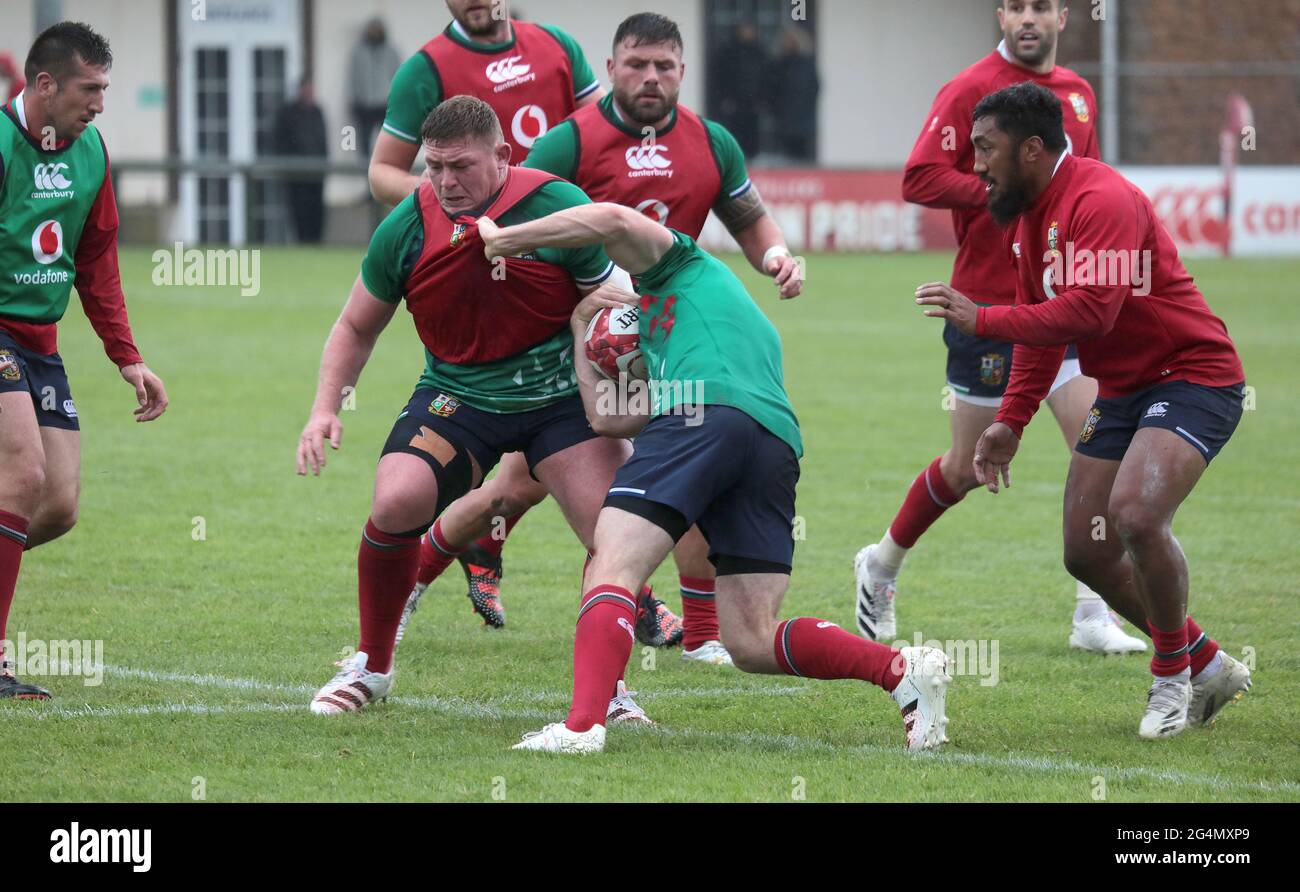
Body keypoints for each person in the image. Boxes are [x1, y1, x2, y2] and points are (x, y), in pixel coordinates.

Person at [470, 204, 951, 754]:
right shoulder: (687, 340)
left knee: (613, 561)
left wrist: (503, 238)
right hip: (773, 442)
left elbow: (611, 219)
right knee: (749, 638)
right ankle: (901, 671)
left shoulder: (677, 265)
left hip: (702, 416)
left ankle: (582, 727)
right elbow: (607, 418)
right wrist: (582, 329)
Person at [399, 13, 804, 666]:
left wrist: (779, 256)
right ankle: (415, 577)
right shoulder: (570, 142)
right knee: (514, 488)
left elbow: (749, 218)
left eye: (663, 66)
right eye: (636, 64)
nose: (650, 78)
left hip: (673, 334)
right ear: (610, 68)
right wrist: (575, 313)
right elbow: (511, 218)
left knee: (700, 465)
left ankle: (700, 634)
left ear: (682, 71)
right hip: (586, 337)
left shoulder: (713, 142)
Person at [299, 96, 653, 725]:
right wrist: (325, 408)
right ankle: (372, 667)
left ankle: (610, 691)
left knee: (614, 529)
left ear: (503, 157)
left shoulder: (558, 205)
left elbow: (612, 304)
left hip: (559, 402)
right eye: (433, 166)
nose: (444, 181)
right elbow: (356, 326)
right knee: (397, 499)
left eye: (459, 166)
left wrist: (624, 405)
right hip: (459, 397)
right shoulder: (408, 225)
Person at [916, 81, 1251, 738]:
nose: (976, 164)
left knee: (1134, 516)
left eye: (986, 148)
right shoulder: (1024, 219)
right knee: (1086, 550)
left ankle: (1171, 679)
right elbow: (1045, 331)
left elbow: (1093, 309)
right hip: (1123, 393)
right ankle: (1210, 665)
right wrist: (1010, 421)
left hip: (1192, 378)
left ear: (1032, 149)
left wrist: (980, 315)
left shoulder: (1101, 198)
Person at [854, 0, 1147, 656]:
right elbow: (919, 177)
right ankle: (881, 563)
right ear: (1001, 14)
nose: (1028, 18)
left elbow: (1086, 180)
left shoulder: (1076, 93)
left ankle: (1091, 615)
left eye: (1040, 6)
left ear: (1064, 16)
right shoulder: (968, 89)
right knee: (964, 467)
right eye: (1015, 6)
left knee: (1098, 456)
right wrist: (998, 190)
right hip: (985, 306)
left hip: (1059, 304)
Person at [0, 22, 169, 698]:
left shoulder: (91, 151)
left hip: (41, 343)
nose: (100, 103)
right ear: (43, 85)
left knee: (59, 504)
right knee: (22, 472)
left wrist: (127, 358)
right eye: (88, 89)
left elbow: (96, 260)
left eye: (104, 89)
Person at [368, 0, 603, 206]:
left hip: (562, 224)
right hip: (479, 238)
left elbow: (605, 128)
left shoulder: (556, 44)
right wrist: (426, 189)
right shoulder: (422, 71)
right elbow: (381, 173)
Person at [276, 78, 328, 244]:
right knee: (299, 214)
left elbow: (323, 141)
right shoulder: (287, 113)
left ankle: (316, 244)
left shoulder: (317, 112)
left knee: (317, 215)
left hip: (316, 175)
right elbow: (280, 142)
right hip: (296, 176)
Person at [707, 23, 766, 158]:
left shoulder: (759, 53)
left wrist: (761, 99)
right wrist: (725, 98)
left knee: (751, 133)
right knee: (734, 132)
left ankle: (751, 156)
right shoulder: (729, 53)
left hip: (752, 102)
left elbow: (765, 78)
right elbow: (721, 77)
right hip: (734, 101)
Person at [347, 18, 401, 159]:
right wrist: (354, 100)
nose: (375, 32)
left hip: (385, 104)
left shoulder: (391, 51)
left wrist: (396, 102)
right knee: (364, 145)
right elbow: (353, 77)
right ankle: (367, 174)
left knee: (386, 142)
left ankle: (383, 169)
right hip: (364, 105)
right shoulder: (358, 51)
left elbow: (398, 77)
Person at [766, 27, 819, 161]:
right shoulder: (778, 65)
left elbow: (814, 88)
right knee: (784, 151)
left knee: (801, 152)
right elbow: (771, 89)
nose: (789, 44)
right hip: (783, 116)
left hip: (802, 117)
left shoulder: (806, 65)